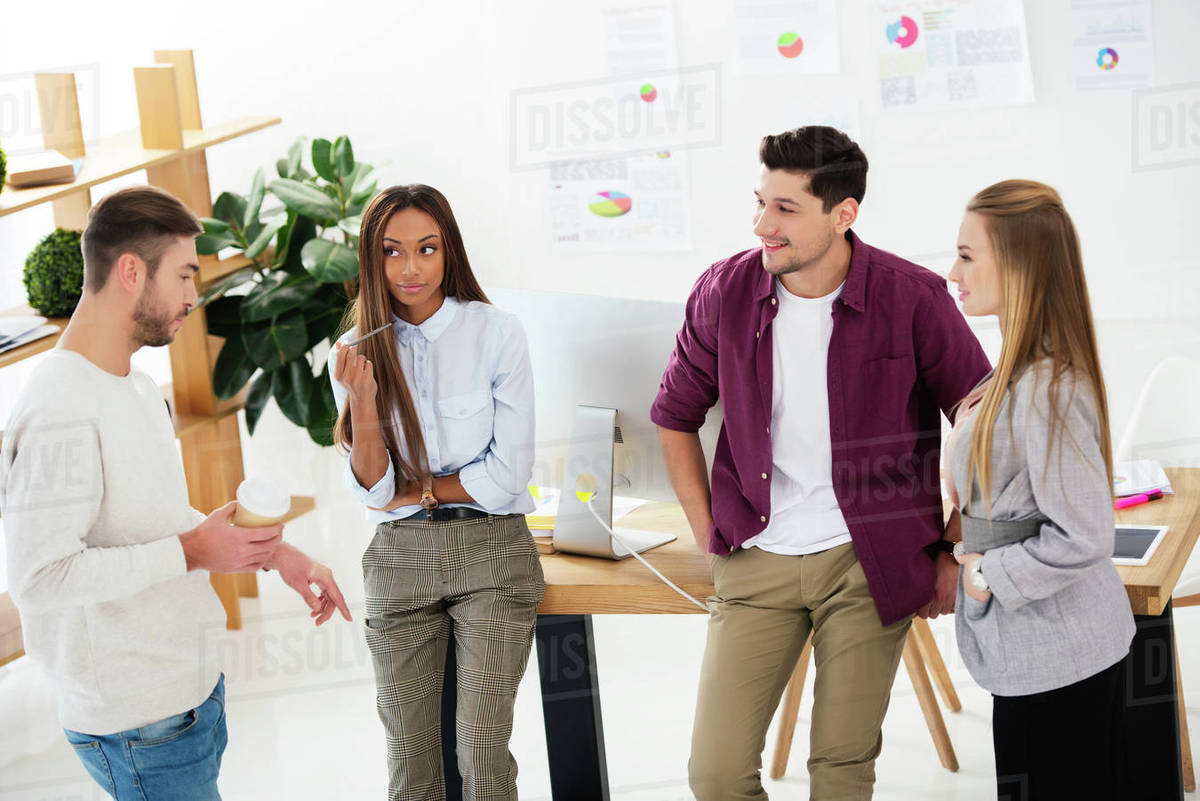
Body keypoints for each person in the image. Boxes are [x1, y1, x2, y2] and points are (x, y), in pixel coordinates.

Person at [651, 126, 992, 800]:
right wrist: (706, 531)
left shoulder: (913, 298)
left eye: (785, 208)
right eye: (760, 203)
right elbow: (673, 414)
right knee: (715, 775)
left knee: (840, 773)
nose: (761, 225)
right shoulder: (724, 292)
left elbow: (984, 421)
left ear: (843, 215)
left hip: (871, 562)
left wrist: (955, 545)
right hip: (757, 558)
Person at [0, 185, 351, 801]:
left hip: (186, 697)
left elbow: (151, 520)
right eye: (186, 275)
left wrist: (273, 553)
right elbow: (40, 577)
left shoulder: (133, 385)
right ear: (131, 271)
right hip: (137, 724)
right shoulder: (59, 407)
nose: (196, 296)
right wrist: (192, 551)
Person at [329, 184, 543, 801]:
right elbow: (374, 492)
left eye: (426, 248)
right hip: (398, 565)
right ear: (373, 260)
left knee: (480, 749)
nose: (410, 268)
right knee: (410, 767)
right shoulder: (351, 353)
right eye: (392, 252)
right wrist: (365, 402)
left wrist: (413, 489)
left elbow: (507, 478)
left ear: (448, 250)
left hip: (492, 553)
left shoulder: (498, 333)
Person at [947, 179, 1134, 801]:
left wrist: (984, 576)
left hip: (1058, 657)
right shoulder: (1019, 368)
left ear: (1019, 264)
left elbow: (1084, 534)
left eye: (968, 255)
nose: (954, 272)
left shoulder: (1047, 385)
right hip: (1044, 653)